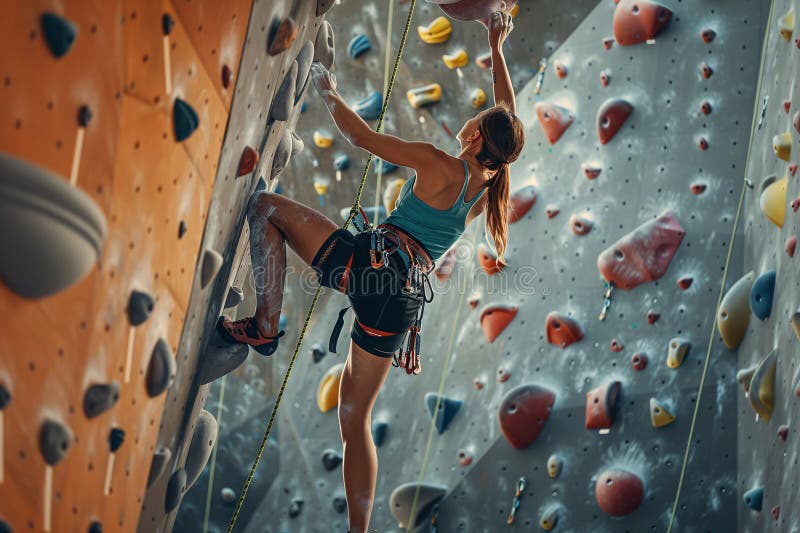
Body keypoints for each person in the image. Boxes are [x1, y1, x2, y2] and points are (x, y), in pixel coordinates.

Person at [218, 11, 523, 532]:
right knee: (354, 416)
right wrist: (495, 46)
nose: (470, 118)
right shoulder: (489, 186)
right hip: (401, 304)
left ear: (473, 138)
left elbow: (361, 138)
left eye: (475, 120)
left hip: (373, 266)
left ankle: (265, 325)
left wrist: (328, 89)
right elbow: (506, 116)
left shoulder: (439, 161)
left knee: (267, 208)